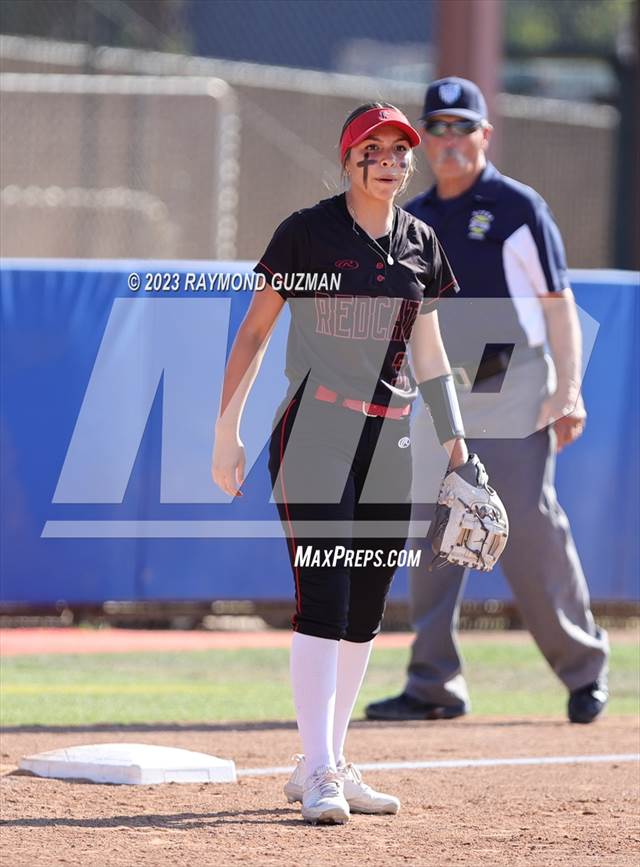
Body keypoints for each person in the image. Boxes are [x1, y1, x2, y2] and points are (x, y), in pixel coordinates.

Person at [212, 102, 482, 823]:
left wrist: (458, 443)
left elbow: (430, 353)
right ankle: (322, 767)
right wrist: (225, 431)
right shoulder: (306, 233)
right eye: (375, 148)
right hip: (316, 432)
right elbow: (254, 334)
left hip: (389, 441)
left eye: (401, 150)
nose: (391, 159)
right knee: (323, 599)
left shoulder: (420, 240)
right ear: (347, 157)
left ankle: (324, 760)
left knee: (365, 608)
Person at [365, 77, 609, 727]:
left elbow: (558, 309)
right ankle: (434, 682)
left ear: (484, 135)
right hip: (443, 390)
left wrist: (568, 388)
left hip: (511, 380)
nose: (448, 140)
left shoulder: (517, 207)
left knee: (526, 526)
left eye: (459, 127)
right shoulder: (411, 218)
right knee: (433, 533)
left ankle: (584, 667)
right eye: (436, 129)